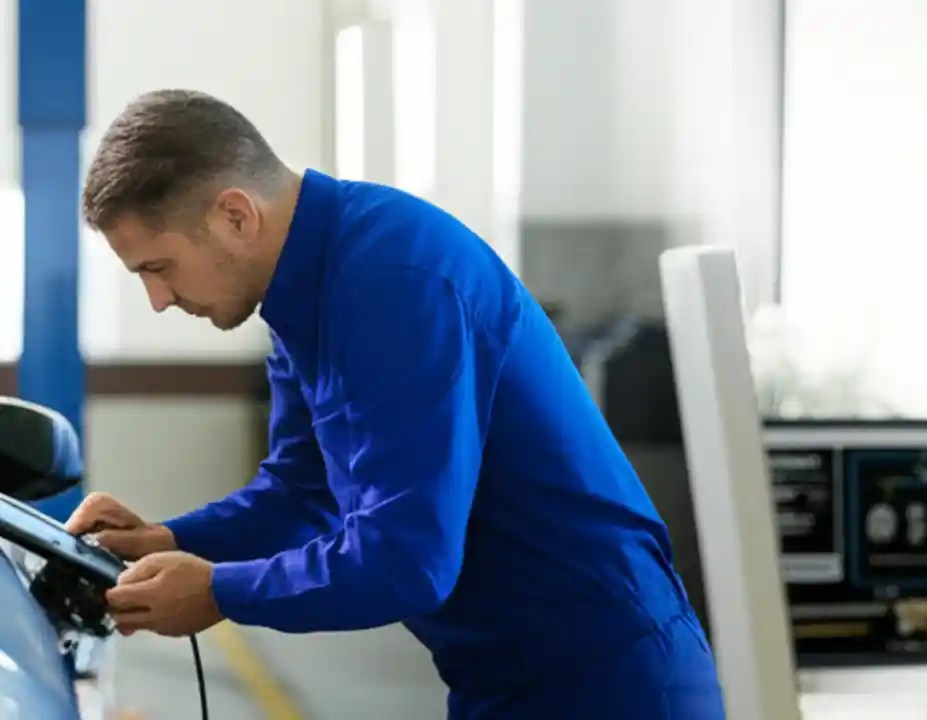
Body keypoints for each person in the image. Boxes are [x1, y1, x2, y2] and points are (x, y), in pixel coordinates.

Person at [66, 89, 726, 719]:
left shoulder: (393, 283)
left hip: (606, 683)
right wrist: (170, 540)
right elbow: (303, 492)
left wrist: (218, 590)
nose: (158, 299)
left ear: (235, 215)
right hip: (498, 677)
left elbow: (408, 561)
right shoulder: (303, 291)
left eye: (158, 267)